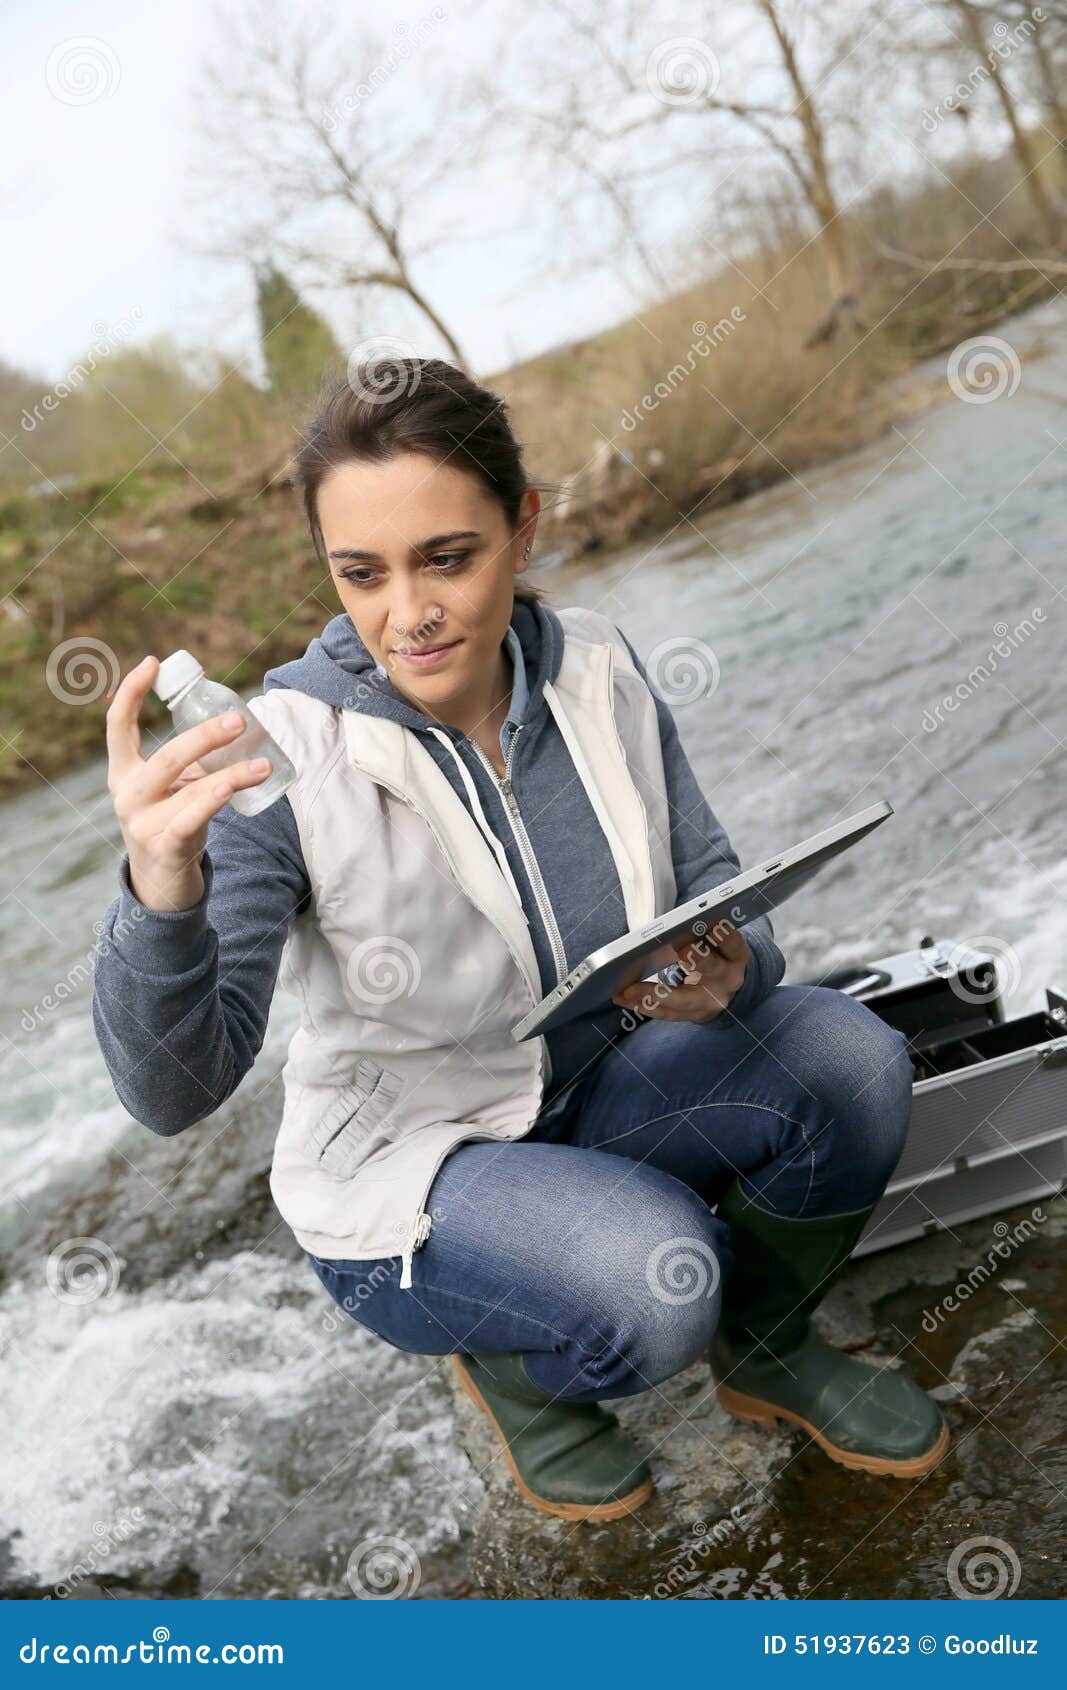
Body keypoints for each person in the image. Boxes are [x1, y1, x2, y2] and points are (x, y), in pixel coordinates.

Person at [92, 357, 947, 1525]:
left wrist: (734, 962)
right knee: (651, 1285)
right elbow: (173, 1090)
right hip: (413, 1171)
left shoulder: (600, 664)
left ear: (523, 525)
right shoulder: (275, 761)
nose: (408, 613)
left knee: (849, 1061)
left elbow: (715, 887)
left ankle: (770, 1348)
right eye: (362, 572)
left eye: (447, 556)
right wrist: (160, 887)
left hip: (606, 1091)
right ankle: (517, 1378)